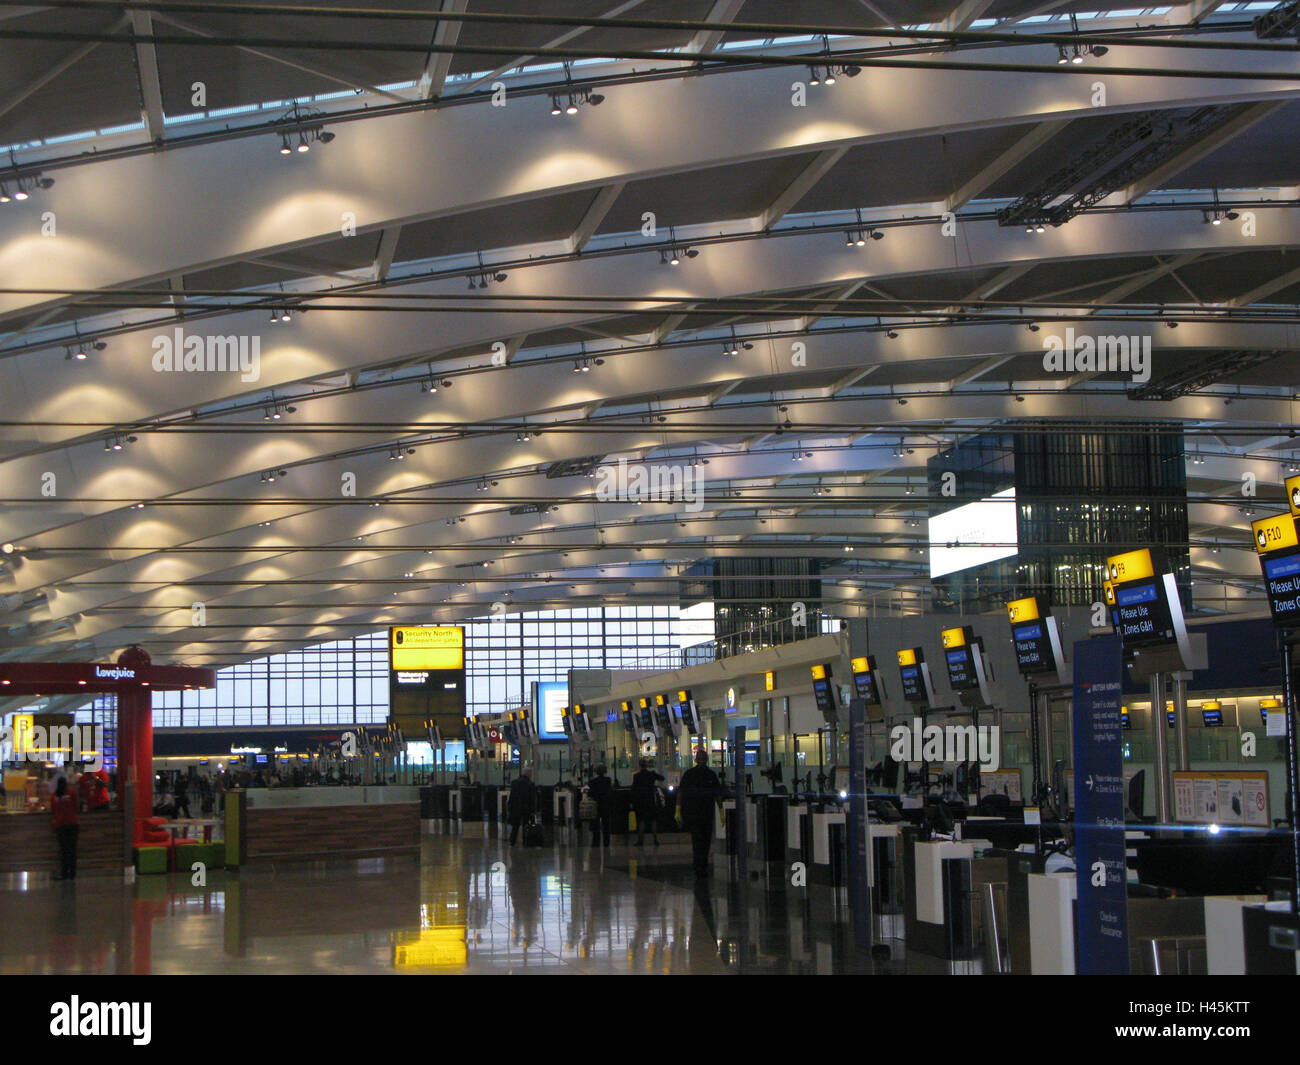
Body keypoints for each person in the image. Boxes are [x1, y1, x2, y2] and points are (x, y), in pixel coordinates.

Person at [678, 749, 722, 879]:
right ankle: (702, 864)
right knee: (704, 840)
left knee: (698, 840)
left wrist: (678, 809)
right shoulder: (710, 775)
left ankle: (699, 864)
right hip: (704, 813)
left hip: (695, 813)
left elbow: (681, 792)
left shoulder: (689, 774)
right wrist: (721, 810)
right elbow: (717, 794)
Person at [631, 759, 666, 846]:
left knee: (641, 820)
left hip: (641, 801)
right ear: (647, 765)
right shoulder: (651, 774)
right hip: (650, 800)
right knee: (653, 820)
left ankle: (640, 840)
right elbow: (662, 778)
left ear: (639, 765)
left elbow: (634, 789)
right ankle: (655, 839)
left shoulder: (636, 776)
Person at [51, 776, 80, 881]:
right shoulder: (72, 793)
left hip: (61, 825)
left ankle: (64, 873)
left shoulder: (54, 796)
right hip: (73, 824)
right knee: (72, 850)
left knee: (63, 851)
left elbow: (53, 811)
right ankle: (72, 873)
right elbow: (77, 807)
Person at [506, 767, 538, 846]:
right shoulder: (530, 784)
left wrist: (509, 807)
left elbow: (511, 797)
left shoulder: (514, 783)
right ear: (529, 774)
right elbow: (532, 799)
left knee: (515, 826)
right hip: (526, 808)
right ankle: (525, 841)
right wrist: (533, 811)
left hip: (516, 808)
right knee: (525, 825)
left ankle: (512, 841)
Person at [587, 765, 613, 848]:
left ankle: (596, 842)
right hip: (606, 804)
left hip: (596, 804)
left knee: (596, 825)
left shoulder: (592, 782)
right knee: (606, 824)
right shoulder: (608, 780)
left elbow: (590, 793)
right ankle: (606, 842)